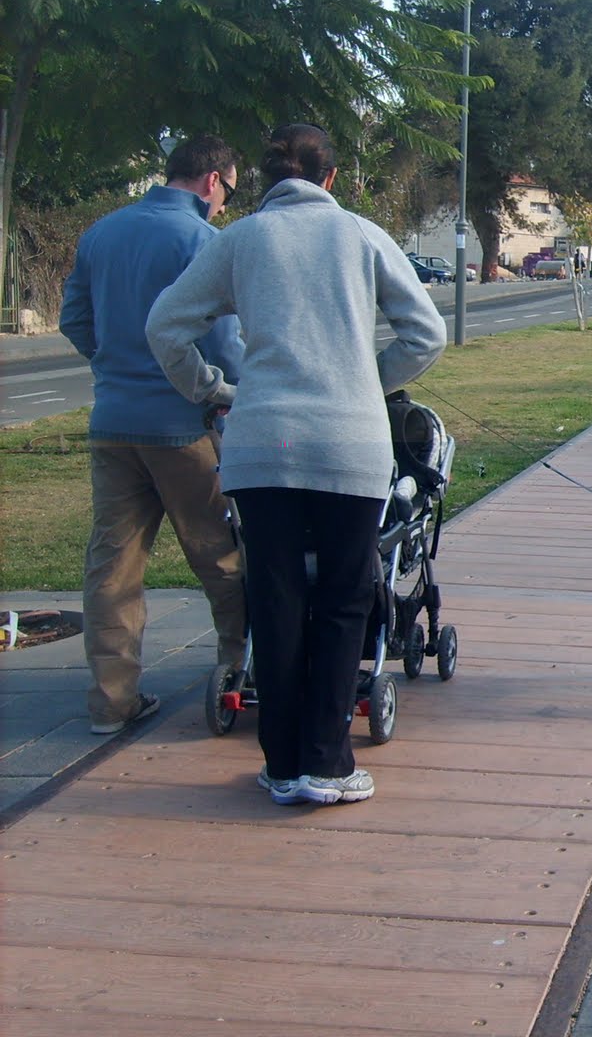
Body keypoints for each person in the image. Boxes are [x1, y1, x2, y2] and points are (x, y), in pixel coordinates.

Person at [147, 123, 445, 805]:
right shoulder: (363, 236)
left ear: (263, 179)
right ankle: (329, 764)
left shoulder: (241, 239)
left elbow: (165, 326)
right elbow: (426, 332)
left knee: (275, 601)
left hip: (263, 443)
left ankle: (281, 766)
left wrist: (215, 388)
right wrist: (368, 379)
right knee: (344, 600)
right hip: (350, 443)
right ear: (331, 179)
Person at [59, 134, 248, 736]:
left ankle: (110, 704)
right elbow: (222, 340)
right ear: (213, 180)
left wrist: (113, 362)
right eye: (229, 192)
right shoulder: (201, 240)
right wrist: (232, 393)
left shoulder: (102, 232)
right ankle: (237, 677)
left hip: (113, 422)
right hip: (183, 424)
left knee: (112, 567)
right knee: (221, 559)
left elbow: (74, 319)